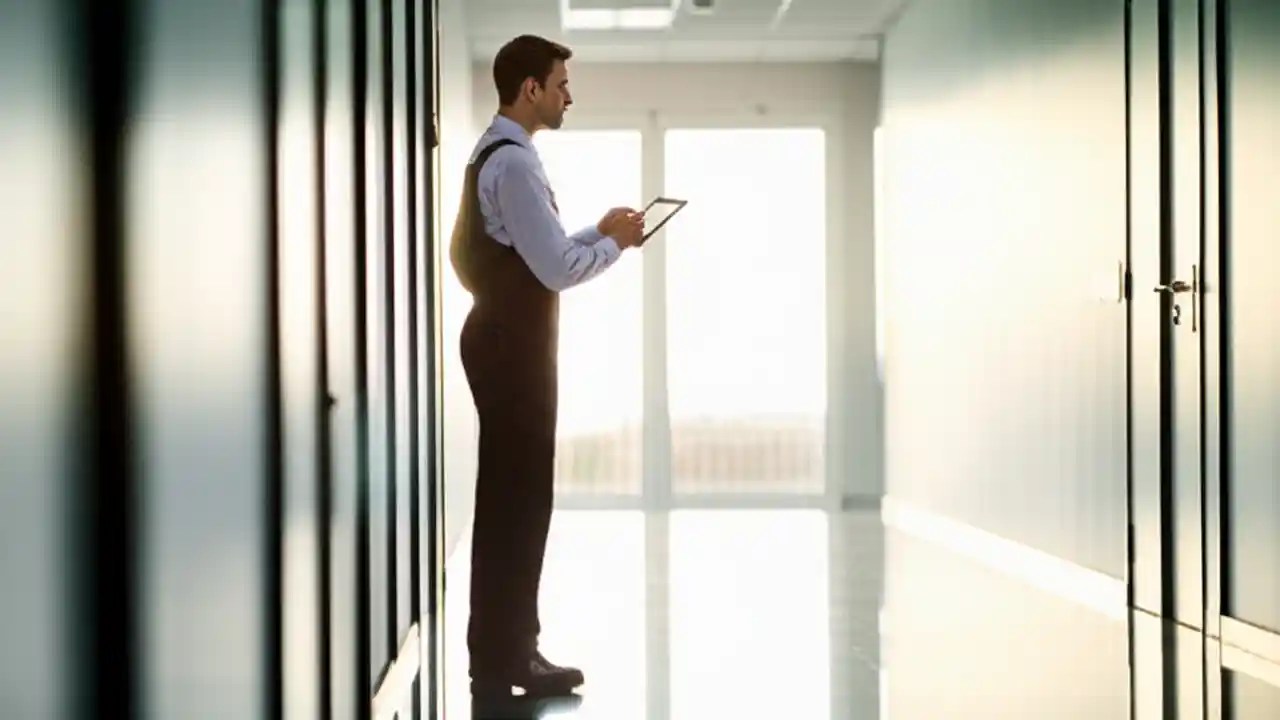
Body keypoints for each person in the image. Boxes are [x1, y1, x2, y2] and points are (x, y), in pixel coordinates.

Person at [449, 34, 644, 699]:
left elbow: (542, 251)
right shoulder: (517, 165)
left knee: (509, 499)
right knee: (520, 502)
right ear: (530, 88)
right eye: (561, 84)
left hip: (500, 341)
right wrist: (613, 247)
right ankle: (511, 657)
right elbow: (556, 269)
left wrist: (598, 231)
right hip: (514, 350)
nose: (568, 95)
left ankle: (502, 655)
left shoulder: (493, 154)